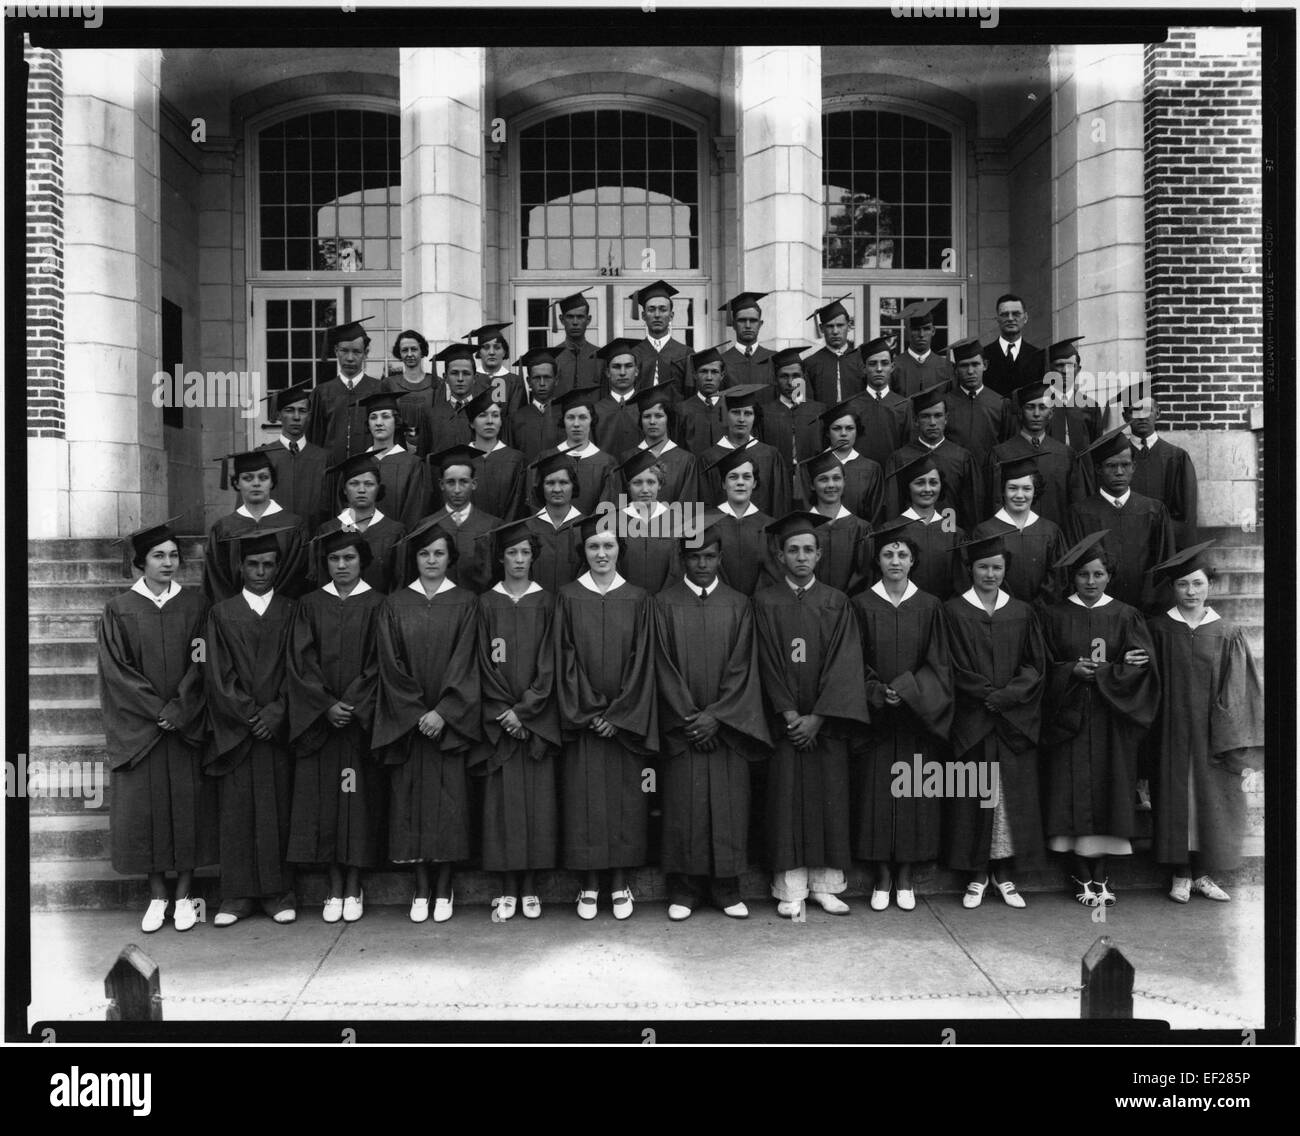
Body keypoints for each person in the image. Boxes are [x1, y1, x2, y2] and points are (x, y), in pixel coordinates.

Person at [98, 516, 216, 933]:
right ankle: (157, 895)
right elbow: (117, 672)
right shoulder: (119, 610)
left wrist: (181, 708)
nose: (168, 563)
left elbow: (203, 660)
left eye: (173, 556)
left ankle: (185, 895)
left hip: (184, 724)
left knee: (187, 808)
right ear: (139, 563)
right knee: (147, 812)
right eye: (158, 556)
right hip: (144, 731)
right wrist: (157, 711)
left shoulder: (197, 606)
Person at [752, 511, 871, 916]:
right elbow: (764, 661)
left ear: (819, 554)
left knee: (829, 798)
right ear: (780, 555)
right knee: (785, 800)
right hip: (784, 726)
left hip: (826, 726)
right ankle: (790, 889)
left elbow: (845, 663)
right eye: (793, 550)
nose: (801, 557)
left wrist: (818, 717)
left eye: (808, 550)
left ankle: (826, 885)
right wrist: (789, 715)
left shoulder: (836, 602)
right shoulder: (764, 602)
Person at [653, 521, 772, 920]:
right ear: (682, 559)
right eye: (694, 557)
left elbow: (744, 667)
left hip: (726, 731)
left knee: (727, 807)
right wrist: (691, 717)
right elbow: (663, 667)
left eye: (709, 556)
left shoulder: (739, 604)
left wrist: (717, 717)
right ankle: (684, 892)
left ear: (720, 558)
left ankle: (726, 889)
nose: (702, 563)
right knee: (684, 807)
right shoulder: (663, 604)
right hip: (684, 729)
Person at [1041, 533, 1160, 907]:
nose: (1091, 582)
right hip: (1069, 722)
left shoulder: (1126, 615)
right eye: (1083, 575)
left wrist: (1111, 673)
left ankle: (1103, 875)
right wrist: (1070, 671)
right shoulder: (1053, 615)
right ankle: (1080, 874)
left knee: (1109, 791)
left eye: (1098, 574)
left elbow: (1143, 670)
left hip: (1111, 722)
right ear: (1072, 578)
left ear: (1109, 576)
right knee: (1070, 792)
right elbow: (1041, 666)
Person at [372, 519, 480, 923]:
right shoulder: (395, 604)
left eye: (439, 553)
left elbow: (468, 662)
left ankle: (445, 884)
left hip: (448, 725)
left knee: (451, 804)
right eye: (424, 553)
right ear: (414, 558)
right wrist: (418, 713)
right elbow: (390, 665)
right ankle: (420, 885)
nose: (431, 560)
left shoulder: (467, 602)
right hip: (411, 726)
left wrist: (445, 712)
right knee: (411, 803)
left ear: (450, 558)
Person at [554, 513, 658, 919]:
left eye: (609, 546)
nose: (601, 552)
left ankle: (619, 883)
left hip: (623, 726)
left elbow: (643, 661)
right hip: (584, 725)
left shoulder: (638, 598)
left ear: (620, 550)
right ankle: (589, 885)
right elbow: (563, 658)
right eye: (594, 546)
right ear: (584, 551)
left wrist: (618, 714)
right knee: (584, 803)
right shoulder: (566, 596)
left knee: (626, 802)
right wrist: (591, 711)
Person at [1148, 542, 1263, 904]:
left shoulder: (1227, 632)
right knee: (1177, 800)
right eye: (1183, 585)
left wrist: (1229, 732)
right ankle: (1180, 873)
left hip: (1213, 734)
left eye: (1197, 583)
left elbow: (1240, 690)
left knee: (1210, 801)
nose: (1191, 591)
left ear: (1209, 585)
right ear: (1173, 589)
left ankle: (1202, 874)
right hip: (1171, 732)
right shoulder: (1158, 629)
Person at [849, 516, 954, 911]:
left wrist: (907, 691)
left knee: (913, 794)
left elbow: (939, 663)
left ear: (914, 561)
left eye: (903, 554)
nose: (895, 560)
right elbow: (851, 661)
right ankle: (881, 876)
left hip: (916, 720)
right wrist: (877, 691)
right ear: (877, 560)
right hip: (877, 719)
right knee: (875, 793)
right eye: (889, 553)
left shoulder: (930, 606)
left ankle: (906, 876)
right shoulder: (860, 604)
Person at [941, 533, 1048, 910]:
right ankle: (975, 875)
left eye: (997, 567)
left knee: (1008, 801)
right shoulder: (953, 611)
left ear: (1006, 570)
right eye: (983, 566)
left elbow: (1035, 664)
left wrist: (1007, 695)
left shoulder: (1022, 611)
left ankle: (1004, 874)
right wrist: (985, 694)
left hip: (1011, 719)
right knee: (974, 798)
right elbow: (949, 664)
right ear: (970, 569)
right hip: (973, 720)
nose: (990, 573)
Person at [285, 528, 386, 923]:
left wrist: (354, 704)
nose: (341, 566)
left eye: (349, 559)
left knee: (357, 801)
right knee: (327, 802)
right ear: (325, 564)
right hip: (322, 724)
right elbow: (300, 662)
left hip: (359, 724)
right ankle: (333, 884)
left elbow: (383, 661)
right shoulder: (309, 604)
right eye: (334, 559)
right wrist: (326, 705)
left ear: (362, 561)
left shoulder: (379, 604)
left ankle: (355, 883)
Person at [203, 528, 299, 927]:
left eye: (268, 564)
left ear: (278, 567)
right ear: (240, 567)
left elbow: (302, 669)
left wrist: (276, 713)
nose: (261, 571)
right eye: (254, 564)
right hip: (238, 731)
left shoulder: (294, 610)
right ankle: (237, 895)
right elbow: (216, 674)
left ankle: (278, 894)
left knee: (278, 810)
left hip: (277, 730)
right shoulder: (221, 613)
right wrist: (248, 715)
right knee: (238, 811)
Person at [471, 519, 561, 920]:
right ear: (501, 557)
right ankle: (506, 888)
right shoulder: (486, 604)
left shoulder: (548, 603)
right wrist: (503, 713)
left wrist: (525, 712)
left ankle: (530, 887)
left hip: (534, 722)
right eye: (512, 553)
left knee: (537, 808)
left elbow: (551, 663)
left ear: (534, 557)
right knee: (501, 809)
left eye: (526, 553)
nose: (520, 559)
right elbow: (480, 665)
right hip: (499, 724)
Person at [1066, 427, 1176, 611]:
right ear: (1098, 469)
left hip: (1146, 609)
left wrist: (1151, 600)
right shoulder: (1080, 513)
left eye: (1125, 465)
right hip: (1096, 608)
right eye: (1111, 465)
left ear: (1134, 467)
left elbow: (1164, 564)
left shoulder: (1153, 510)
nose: (1119, 472)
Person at [204, 449, 310, 603]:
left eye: (263, 477)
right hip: (235, 617)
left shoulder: (294, 525)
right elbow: (217, 580)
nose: (256, 483)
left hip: (284, 612)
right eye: (248, 478)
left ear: (272, 482)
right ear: (236, 483)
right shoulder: (223, 528)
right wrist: (234, 611)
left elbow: (296, 576)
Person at [988, 378, 1087, 528]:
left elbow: (1076, 503)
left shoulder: (1065, 454)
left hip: (1056, 537)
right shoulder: (1001, 454)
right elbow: (995, 503)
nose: (1036, 413)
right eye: (1030, 407)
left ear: (1051, 413)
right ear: (1020, 412)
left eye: (1042, 407)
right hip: (1013, 537)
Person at [971, 455, 1068, 607]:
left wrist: (1038, 606)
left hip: (1043, 614)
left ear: (1035, 491)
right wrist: (1012, 609)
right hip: (1001, 615)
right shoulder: (985, 532)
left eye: (1027, 488)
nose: (1019, 495)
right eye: (1012, 488)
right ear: (1003, 490)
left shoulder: (1050, 531)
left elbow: (1058, 578)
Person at [884, 384, 981, 530]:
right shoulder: (900, 458)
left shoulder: (962, 457)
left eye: (938, 416)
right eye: (925, 416)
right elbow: (893, 507)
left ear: (946, 418)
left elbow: (971, 509)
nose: (932, 423)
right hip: (908, 538)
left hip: (950, 536)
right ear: (916, 420)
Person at [315, 454, 406, 593]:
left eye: (369, 484)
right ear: (344, 489)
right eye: (354, 483)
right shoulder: (329, 530)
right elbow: (322, 582)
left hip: (383, 611)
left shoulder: (395, 531)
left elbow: (399, 582)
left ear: (378, 488)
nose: (361, 490)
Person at [883, 451, 967, 601]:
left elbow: (962, 584)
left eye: (933, 483)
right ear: (908, 487)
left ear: (941, 486)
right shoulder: (892, 530)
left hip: (945, 613)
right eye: (920, 483)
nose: (928, 489)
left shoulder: (954, 533)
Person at [699, 384, 791, 519]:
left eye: (748, 413)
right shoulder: (708, 458)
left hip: (761, 534)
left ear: (755, 417)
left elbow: (779, 505)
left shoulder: (770, 455)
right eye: (735, 412)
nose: (741, 419)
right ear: (726, 416)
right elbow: (703, 507)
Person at [420, 444, 502, 594]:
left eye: (463, 482)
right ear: (441, 485)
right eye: (451, 482)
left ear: (474, 484)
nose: (457, 490)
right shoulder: (427, 526)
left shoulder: (492, 526)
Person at [306, 318, 386, 465]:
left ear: (366, 353)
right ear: (336, 351)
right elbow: (314, 440)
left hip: (370, 471)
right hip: (331, 471)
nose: (350, 358)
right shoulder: (322, 393)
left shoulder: (379, 389)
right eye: (344, 351)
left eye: (356, 352)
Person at [1124, 394, 1199, 549]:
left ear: (1158, 413)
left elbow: (1186, 513)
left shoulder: (1177, 457)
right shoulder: (1115, 457)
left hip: (1164, 543)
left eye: (1147, 410)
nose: (1142, 417)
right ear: (1126, 417)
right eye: (1134, 411)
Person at [755, 346, 825, 506]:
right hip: (775, 487)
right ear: (775, 379)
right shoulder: (765, 413)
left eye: (796, 376)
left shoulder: (818, 411)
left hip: (812, 487)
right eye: (784, 376)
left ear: (803, 378)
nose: (790, 382)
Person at [259, 379, 331, 532]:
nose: (296, 417)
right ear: (278, 415)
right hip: (271, 545)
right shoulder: (262, 456)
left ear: (310, 416)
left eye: (302, 411)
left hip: (312, 542)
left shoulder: (324, 458)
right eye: (289, 410)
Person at [535, 385, 618, 515]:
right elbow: (535, 502)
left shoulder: (607, 463)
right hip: (552, 533)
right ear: (563, 421)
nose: (576, 424)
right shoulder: (546, 458)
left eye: (583, 417)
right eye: (570, 417)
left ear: (592, 420)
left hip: (594, 533)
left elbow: (609, 506)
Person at [706, 449, 779, 596]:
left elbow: (773, 574)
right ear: (723, 484)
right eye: (733, 477)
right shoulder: (704, 523)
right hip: (717, 606)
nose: (740, 482)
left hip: (759, 607)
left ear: (754, 483)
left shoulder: (770, 527)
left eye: (746, 477)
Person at [800, 448, 872, 594]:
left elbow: (864, 577)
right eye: (823, 479)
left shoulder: (861, 529)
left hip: (849, 609)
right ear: (812, 485)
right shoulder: (801, 527)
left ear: (844, 482)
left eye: (836, 478)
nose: (831, 485)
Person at [615, 383, 699, 505]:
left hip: (675, 523)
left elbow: (688, 506)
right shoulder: (627, 458)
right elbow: (621, 504)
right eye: (647, 416)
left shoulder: (686, 461)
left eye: (659, 416)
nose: (652, 421)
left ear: (668, 419)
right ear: (640, 421)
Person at [943, 337, 1016, 473]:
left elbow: (1007, 444)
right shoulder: (945, 403)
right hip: (953, 473)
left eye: (975, 364)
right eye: (964, 365)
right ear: (955, 369)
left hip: (989, 474)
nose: (970, 371)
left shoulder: (1001, 403)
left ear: (985, 365)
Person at [615, 449, 684, 595]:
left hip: (666, 602)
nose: (645, 489)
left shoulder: (677, 522)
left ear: (660, 484)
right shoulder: (614, 522)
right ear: (628, 486)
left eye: (651, 482)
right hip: (625, 602)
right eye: (637, 483)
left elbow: (679, 570)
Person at [359, 389, 428, 530]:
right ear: (368, 424)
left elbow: (413, 514)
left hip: (398, 544)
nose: (379, 423)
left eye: (385, 416)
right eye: (373, 417)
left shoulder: (413, 464)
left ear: (396, 421)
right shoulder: (358, 463)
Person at [1041, 335, 1103, 490]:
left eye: (1070, 365)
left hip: (1083, 479)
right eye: (1059, 365)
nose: (1064, 371)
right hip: (1047, 477)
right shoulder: (1039, 404)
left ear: (1078, 369)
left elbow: (1097, 448)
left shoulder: (1091, 406)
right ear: (1050, 369)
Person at [813, 402, 886, 525]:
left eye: (849, 428)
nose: (843, 433)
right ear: (827, 432)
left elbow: (875, 514)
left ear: (857, 431)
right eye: (837, 428)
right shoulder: (813, 465)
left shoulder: (871, 469)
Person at [522, 451, 585, 593]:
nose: (557, 489)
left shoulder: (585, 527)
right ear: (541, 487)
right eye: (550, 483)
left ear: (573, 485)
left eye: (563, 482)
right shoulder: (527, 528)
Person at [846, 336, 913, 469]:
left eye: (884, 363)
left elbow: (908, 447)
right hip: (861, 476)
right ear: (863, 369)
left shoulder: (903, 405)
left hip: (893, 474)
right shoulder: (851, 406)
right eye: (872, 364)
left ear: (892, 367)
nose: (879, 369)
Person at [464, 387, 527, 522]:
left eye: (495, 415)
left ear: (501, 421)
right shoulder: (461, 459)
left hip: (507, 536)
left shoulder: (516, 460)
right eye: (482, 415)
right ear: (471, 423)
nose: (490, 421)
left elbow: (518, 506)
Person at [505, 346, 565, 463]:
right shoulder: (516, 419)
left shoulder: (566, 415)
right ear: (528, 382)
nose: (542, 383)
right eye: (537, 378)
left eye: (547, 377)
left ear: (556, 380)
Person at [421, 342, 481, 458]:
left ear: (475, 378)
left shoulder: (484, 414)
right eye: (454, 373)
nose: (460, 379)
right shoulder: (431, 415)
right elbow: (423, 457)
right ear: (445, 378)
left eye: (466, 373)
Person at [630, 279, 691, 394]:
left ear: (671, 315)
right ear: (643, 315)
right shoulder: (633, 353)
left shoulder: (686, 354)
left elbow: (690, 393)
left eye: (663, 310)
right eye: (651, 310)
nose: (657, 315)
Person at [802, 295, 865, 405]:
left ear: (849, 326)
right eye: (830, 326)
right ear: (822, 328)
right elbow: (804, 403)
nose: (835, 331)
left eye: (840, 325)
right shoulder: (810, 363)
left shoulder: (861, 360)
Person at [980, 293, 1046, 398]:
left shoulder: (1038, 356)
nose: (1010, 318)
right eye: (1005, 314)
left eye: (1016, 314)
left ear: (1025, 318)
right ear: (997, 319)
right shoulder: (983, 355)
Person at [384, 328, 435, 451]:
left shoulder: (437, 384)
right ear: (399, 353)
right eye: (405, 350)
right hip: (397, 449)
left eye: (414, 349)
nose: (410, 354)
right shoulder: (390, 384)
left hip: (431, 447)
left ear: (422, 351)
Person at [592, 337, 645, 457]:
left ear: (636, 371)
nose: (622, 372)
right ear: (607, 372)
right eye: (616, 366)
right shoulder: (596, 410)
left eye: (628, 366)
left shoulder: (646, 406)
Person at [890, 298, 954, 397]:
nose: (921, 334)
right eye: (916, 329)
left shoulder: (947, 367)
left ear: (933, 331)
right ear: (908, 332)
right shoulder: (895, 366)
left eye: (926, 329)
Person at [676, 344, 731, 457]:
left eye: (714, 372)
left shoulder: (731, 408)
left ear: (722, 375)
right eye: (703, 371)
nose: (709, 377)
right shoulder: (682, 410)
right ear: (694, 375)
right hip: (694, 472)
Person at [719, 291, 776, 391]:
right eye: (742, 320)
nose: (748, 326)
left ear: (760, 324)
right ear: (733, 324)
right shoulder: (721, 361)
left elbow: (795, 397)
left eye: (753, 320)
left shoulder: (775, 359)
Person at [552, 290, 600, 396]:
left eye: (580, 317)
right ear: (561, 319)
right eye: (570, 317)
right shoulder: (553, 357)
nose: (575, 322)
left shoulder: (601, 357)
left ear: (588, 319)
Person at [469, 321, 515, 401]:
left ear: (504, 352)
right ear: (479, 352)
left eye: (497, 347)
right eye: (486, 347)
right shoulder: (470, 380)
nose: (491, 352)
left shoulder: (514, 382)